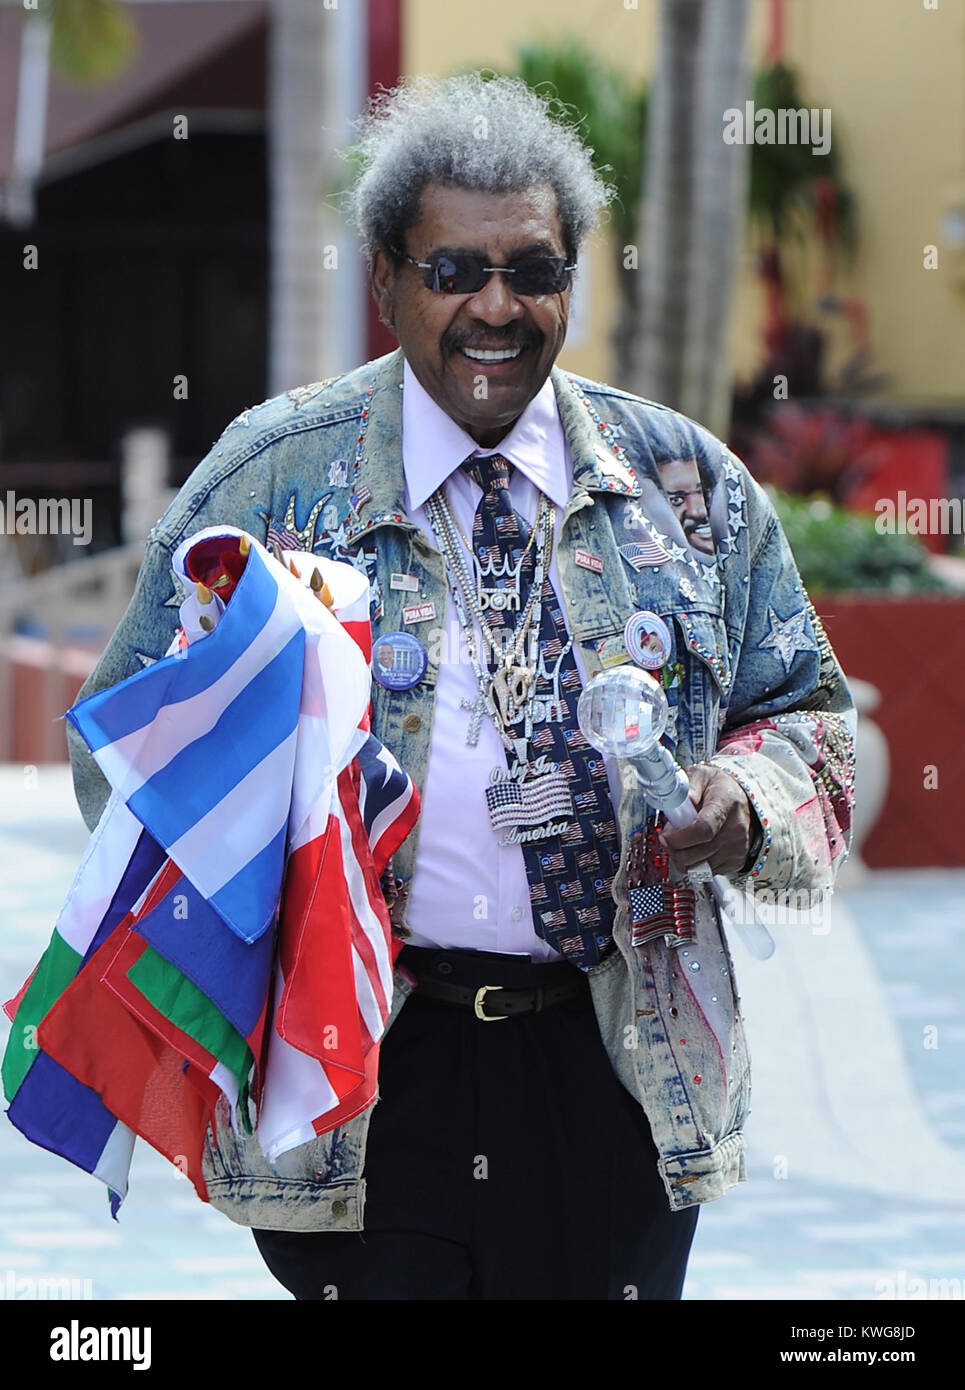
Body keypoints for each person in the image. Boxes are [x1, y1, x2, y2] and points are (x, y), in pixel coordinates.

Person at [68, 74, 855, 1301]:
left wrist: (746, 803)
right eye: (453, 272)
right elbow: (118, 745)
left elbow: (807, 711)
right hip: (364, 1069)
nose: (496, 307)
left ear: (568, 281)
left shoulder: (684, 485)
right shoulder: (274, 480)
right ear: (387, 281)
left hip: (618, 1063)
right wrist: (262, 850)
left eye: (532, 271)